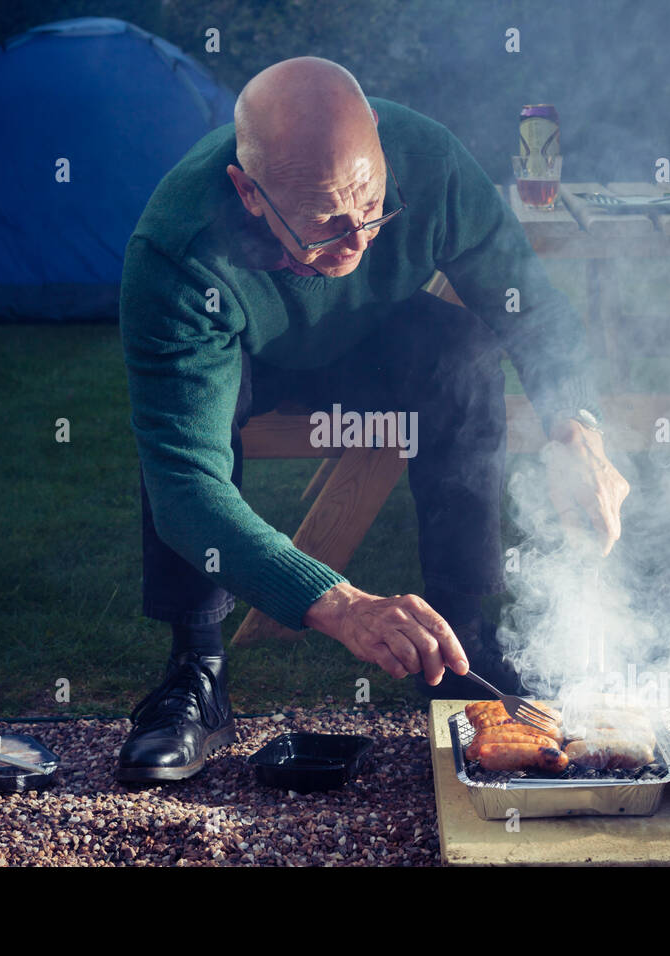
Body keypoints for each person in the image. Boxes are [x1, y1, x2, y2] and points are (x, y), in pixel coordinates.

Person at [116, 57, 628, 783]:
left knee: (464, 353)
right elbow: (185, 490)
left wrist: (577, 427)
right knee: (187, 439)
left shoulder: (433, 163)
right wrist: (342, 603)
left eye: (371, 202)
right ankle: (195, 672)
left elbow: (531, 307)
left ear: (381, 145)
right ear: (249, 194)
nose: (358, 239)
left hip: (366, 336)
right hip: (241, 351)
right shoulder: (176, 255)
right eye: (326, 222)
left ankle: (461, 644)